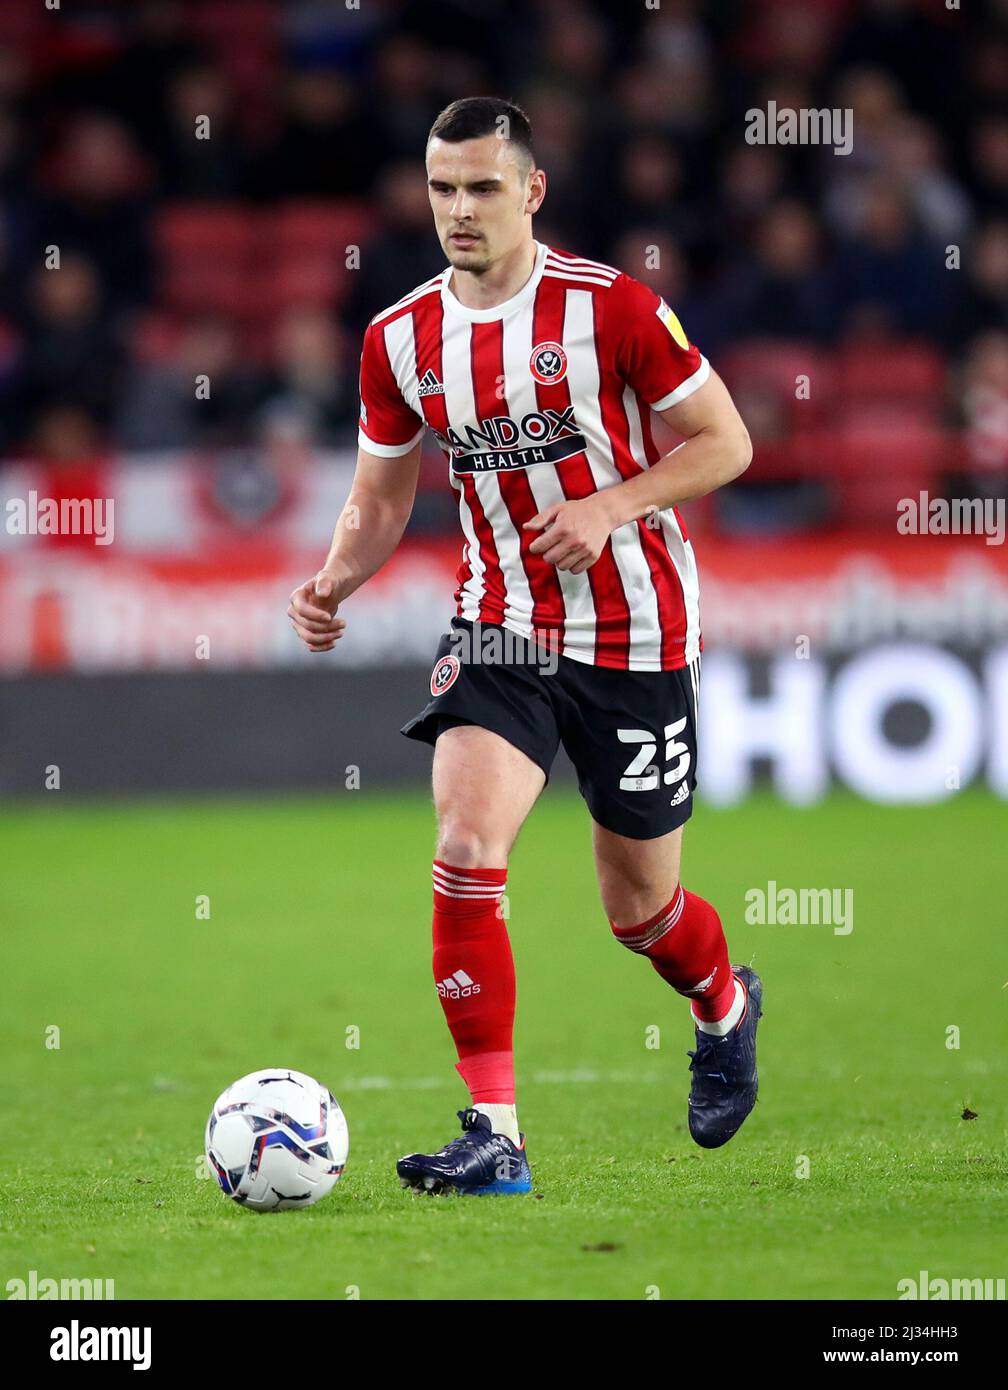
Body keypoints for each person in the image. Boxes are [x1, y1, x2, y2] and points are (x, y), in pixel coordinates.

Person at [289, 97, 760, 1196]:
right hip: (500, 622)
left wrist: (612, 506)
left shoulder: (614, 308)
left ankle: (724, 1004)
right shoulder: (398, 336)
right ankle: (494, 1132)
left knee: (639, 911)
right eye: (442, 187)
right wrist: (334, 578)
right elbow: (380, 496)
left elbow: (728, 441)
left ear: (531, 192)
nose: (459, 208)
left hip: (637, 632)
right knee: (465, 844)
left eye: (483, 187)